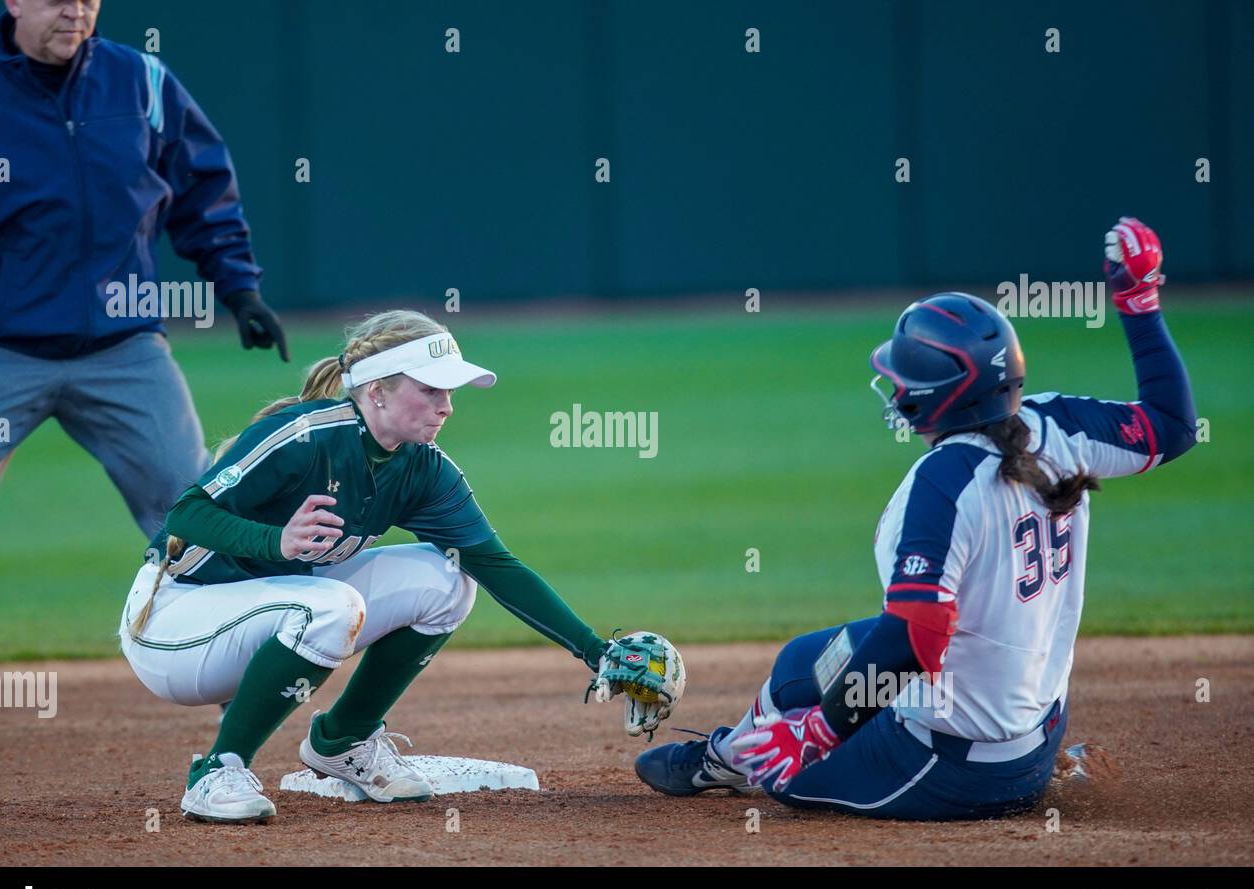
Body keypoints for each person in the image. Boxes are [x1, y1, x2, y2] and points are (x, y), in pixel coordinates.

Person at [635, 218, 1196, 820]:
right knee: (802, 663)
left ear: (935, 396)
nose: (896, 386)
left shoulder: (943, 484)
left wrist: (817, 733)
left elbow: (916, 638)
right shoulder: (1055, 425)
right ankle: (723, 756)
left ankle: (754, 763)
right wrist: (1139, 302)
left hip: (958, 766)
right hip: (1033, 720)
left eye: (905, 376)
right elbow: (1172, 425)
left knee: (782, 778)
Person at [119, 311, 682, 823]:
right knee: (332, 607)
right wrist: (277, 539)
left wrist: (595, 653)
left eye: (451, 391)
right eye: (431, 388)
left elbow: (495, 564)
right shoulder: (306, 436)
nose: (446, 405)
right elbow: (186, 513)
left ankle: (344, 741)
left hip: (276, 602)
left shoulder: (423, 470)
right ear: (377, 391)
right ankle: (218, 769)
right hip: (177, 622)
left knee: (448, 580)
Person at [0, 0, 287, 618]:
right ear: (15, 2)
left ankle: (245, 688)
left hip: (123, 347)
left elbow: (204, 190)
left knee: (198, 503)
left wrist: (238, 288)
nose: (76, 12)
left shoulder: (142, 82)